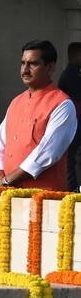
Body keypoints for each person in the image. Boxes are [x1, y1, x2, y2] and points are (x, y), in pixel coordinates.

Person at [0, 40, 77, 192]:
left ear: (50, 67)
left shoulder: (62, 104)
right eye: (23, 63)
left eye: (33, 64)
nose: (25, 69)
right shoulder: (16, 102)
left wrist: (7, 180)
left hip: (45, 198)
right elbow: (0, 144)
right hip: (8, 194)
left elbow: (48, 152)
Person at [58, 42, 81, 190]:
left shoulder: (73, 72)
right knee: (74, 155)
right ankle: (73, 186)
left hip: (75, 121)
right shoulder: (72, 74)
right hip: (75, 121)